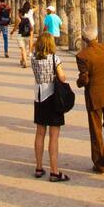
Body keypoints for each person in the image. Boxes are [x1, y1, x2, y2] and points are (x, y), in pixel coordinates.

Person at [76, 31, 104, 174]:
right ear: (97, 36)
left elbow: (84, 79)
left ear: (84, 39)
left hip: (94, 97)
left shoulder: (82, 55)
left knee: (96, 131)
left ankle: (100, 164)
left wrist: (79, 82)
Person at [30, 32, 70, 182]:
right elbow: (62, 77)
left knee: (40, 133)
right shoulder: (54, 59)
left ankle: (39, 167)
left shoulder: (33, 58)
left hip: (39, 96)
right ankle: (54, 171)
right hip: (53, 97)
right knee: (54, 136)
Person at [16, 0, 35, 68]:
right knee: (28, 44)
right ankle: (27, 54)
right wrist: (31, 5)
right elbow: (36, 7)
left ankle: (24, 61)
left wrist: (12, 32)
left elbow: (16, 27)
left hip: (20, 34)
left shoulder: (19, 18)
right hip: (28, 31)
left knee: (22, 48)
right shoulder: (30, 14)